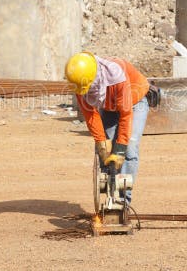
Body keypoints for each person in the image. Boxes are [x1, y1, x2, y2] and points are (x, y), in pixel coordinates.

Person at [65, 52, 155, 204]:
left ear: (94, 78)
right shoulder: (81, 83)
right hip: (109, 105)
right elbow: (91, 115)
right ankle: (110, 192)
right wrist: (102, 143)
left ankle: (124, 200)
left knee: (129, 148)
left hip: (135, 101)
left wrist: (120, 150)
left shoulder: (116, 75)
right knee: (105, 149)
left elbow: (126, 114)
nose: (85, 92)